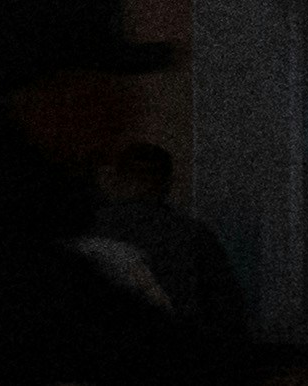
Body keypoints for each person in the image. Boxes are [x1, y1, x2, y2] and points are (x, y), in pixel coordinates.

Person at [87, 147, 247, 365]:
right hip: (173, 360)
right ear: (167, 183)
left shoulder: (90, 230)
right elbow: (228, 312)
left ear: (118, 178)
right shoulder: (192, 236)